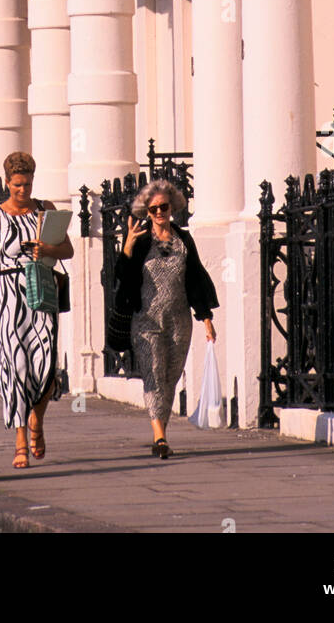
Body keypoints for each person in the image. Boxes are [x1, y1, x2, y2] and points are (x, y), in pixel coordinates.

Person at [0, 151, 73, 469]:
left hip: (42, 292)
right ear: (7, 183)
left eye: (27, 184)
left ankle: (37, 419)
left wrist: (46, 249)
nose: (23, 190)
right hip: (9, 297)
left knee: (45, 366)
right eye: (17, 185)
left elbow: (68, 249)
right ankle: (21, 438)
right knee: (16, 366)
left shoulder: (45, 210)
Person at [114, 179, 218, 459]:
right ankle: (159, 436)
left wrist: (206, 318)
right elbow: (121, 278)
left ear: (172, 208)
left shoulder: (183, 239)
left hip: (178, 319)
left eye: (164, 207)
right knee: (153, 373)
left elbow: (195, 278)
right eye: (154, 208)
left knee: (170, 376)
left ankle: (161, 431)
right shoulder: (141, 240)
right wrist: (127, 246)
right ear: (146, 212)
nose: (159, 212)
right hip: (146, 319)